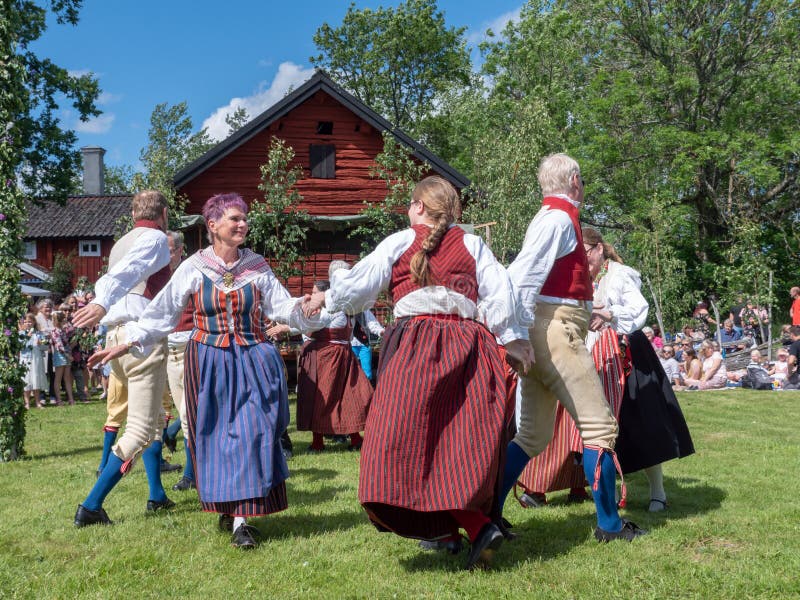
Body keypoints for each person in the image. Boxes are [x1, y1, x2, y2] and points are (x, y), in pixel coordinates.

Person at [303, 175, 533, 570]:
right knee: (455, 442)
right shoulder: (472, 244)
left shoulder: (398, 242)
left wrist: (334, 284)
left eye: (410, 205)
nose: (408, 211)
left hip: (416, 346)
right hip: (470, 346)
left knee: (401, 442)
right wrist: (512, 340)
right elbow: (502, 294)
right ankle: (446, 532)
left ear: (420, 207)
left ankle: (475, 526)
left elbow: (356, 291)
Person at [89, 192, 322, 549]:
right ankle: (233, 513)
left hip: (252, 358)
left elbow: (281, 306)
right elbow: (162, 313)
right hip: (209, 361)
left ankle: (242, 518)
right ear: (212, 225)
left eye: (244, 218)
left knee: (254, 431)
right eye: (234, 218)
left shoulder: (256, 265)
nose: (242, 223)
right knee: (216, 437)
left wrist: (304, 307)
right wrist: (127, 340)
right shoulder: (194, 267)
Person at [503, 153, 646, 542]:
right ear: (575, 182)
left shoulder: (550, 217)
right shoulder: (558, 219)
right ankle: (610, 526)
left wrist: (520, 333)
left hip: (546, 329)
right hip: (557, 331)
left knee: (532, 435)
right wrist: (511, 335)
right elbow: (520, 275)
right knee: (599, 428)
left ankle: (488, 514)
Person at [516, 226, 694, 513]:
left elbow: (638, 310)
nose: (582, 261)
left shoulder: (619, 275)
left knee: (639, 424)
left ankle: (657, 492)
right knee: (571, 422)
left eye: (585, 254)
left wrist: (608, 314)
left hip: (623, 354)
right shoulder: (578, 278)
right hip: (586, 353)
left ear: (599, 248)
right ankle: (560, 486)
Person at [72, 189, 174, 528]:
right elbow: (129, 273)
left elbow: (121, 272)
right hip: (138, 337)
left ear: (133, 214)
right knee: (141, 429)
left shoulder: (120, 242)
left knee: (155, 418)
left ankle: (157, 494)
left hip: (118, 336)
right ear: (163, 214)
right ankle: (91, 505)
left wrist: (104, 303)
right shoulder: (156, 238)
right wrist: (102, 301)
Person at [296, 279, 373, 453]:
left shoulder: (332, 311)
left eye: (315, 292)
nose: (313, 295)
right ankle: (348, 439)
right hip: (338, 356)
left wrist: (285, 327)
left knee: (330, 397)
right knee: (339, 397)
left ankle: (322, 442)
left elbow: (308, 325)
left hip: (328, 358)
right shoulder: (345, 310)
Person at [19, 312, 48, 409]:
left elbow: (45, 347)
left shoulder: (39, 333)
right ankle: (27, 403)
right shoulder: (21, 334)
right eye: (26, 322)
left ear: (34, 322)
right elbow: (21, 346)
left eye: (30, 322)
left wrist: (41, 344)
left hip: (36, 359)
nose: (28, 324)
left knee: (36, 379)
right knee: (26, 380)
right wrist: (28, 335)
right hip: (26, 359)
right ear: (23, 323)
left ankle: (37, 402)